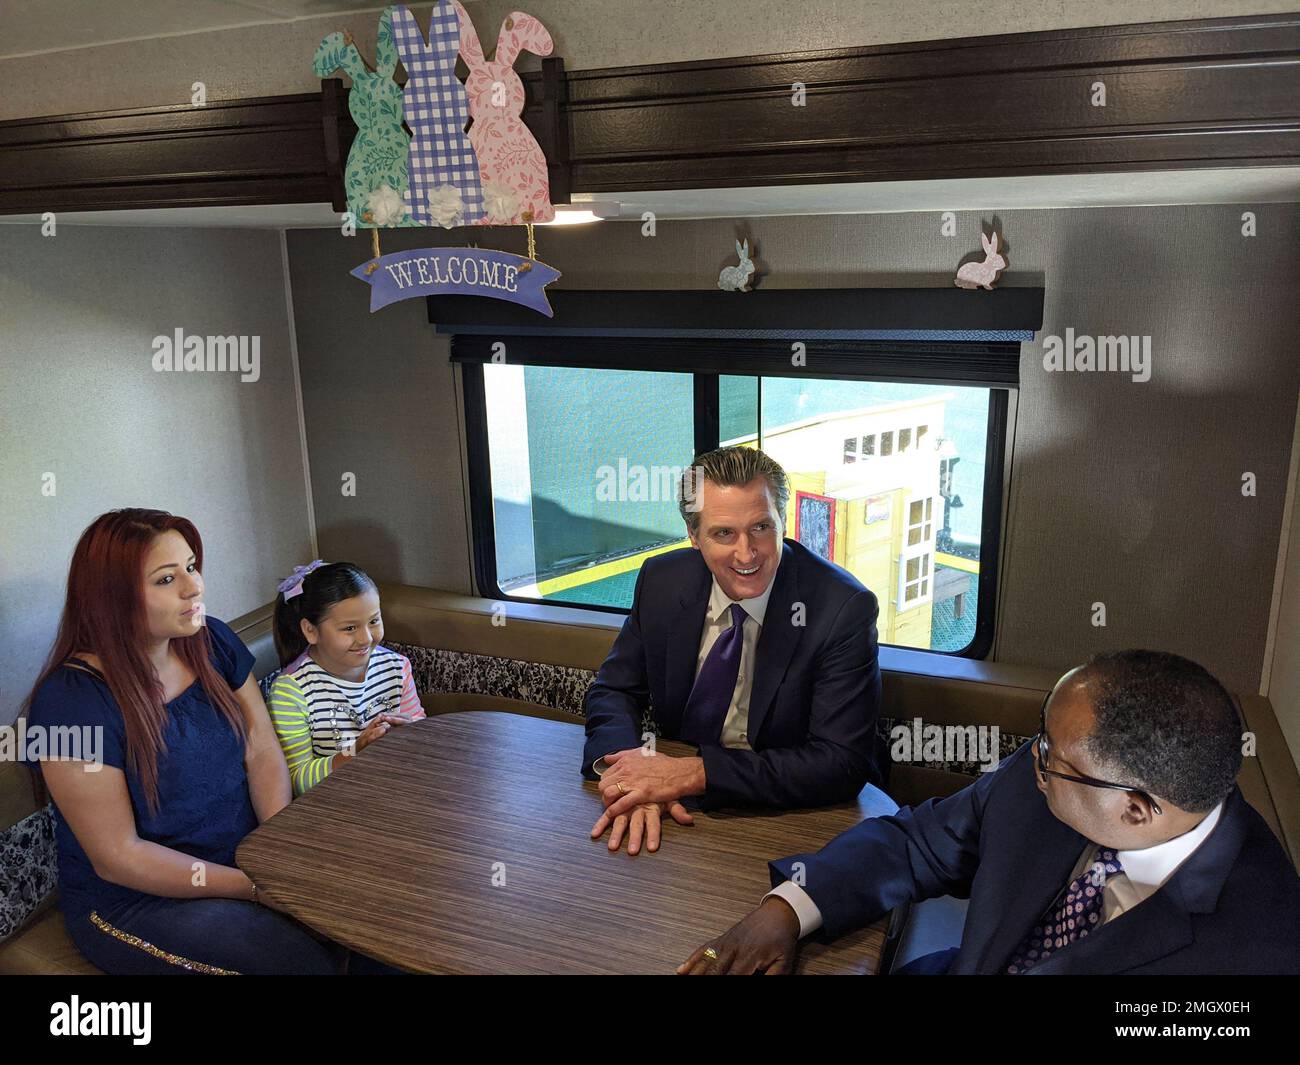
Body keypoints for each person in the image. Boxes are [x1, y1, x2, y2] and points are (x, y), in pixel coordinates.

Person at [678, 650, 1300, 975]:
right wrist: (789, 907)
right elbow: (916, 843)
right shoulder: (1048, 772)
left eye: (1051, 759)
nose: (1032, 760)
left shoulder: (1262, 951)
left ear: (1135, 809)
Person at [22, 509, 400, 973]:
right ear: (111, 598)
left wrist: (280, 853)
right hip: (139, 901)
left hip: (248, 853)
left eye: (191, 567)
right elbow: (118, 857)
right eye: (166, 579)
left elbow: (260, 746)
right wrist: (254, 887)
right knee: (300, 963)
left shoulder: (211, 639)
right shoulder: (70, 701)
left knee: (380, 918)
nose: (193, 587)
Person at [584, 445, 886, 856]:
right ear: (693, 535)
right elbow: (614, 690)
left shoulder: (841, 608)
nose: (747, 553)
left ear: (783, 521)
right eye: (723, 533)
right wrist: (628, 776)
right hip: (671, 814)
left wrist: (693, 774)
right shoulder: (661, 580)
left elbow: (840, 763)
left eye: (761, 527)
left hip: (788, 825)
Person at [267, 560, 425, 795]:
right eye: (350, 628)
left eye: (374, 621)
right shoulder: (291, 692)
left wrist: (413, 732)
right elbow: (297, 781)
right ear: (310, 630)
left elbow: (422, 730)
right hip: (337, 803)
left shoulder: (396, 667)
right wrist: (356, 751)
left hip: (396, 789)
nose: (366, 638)